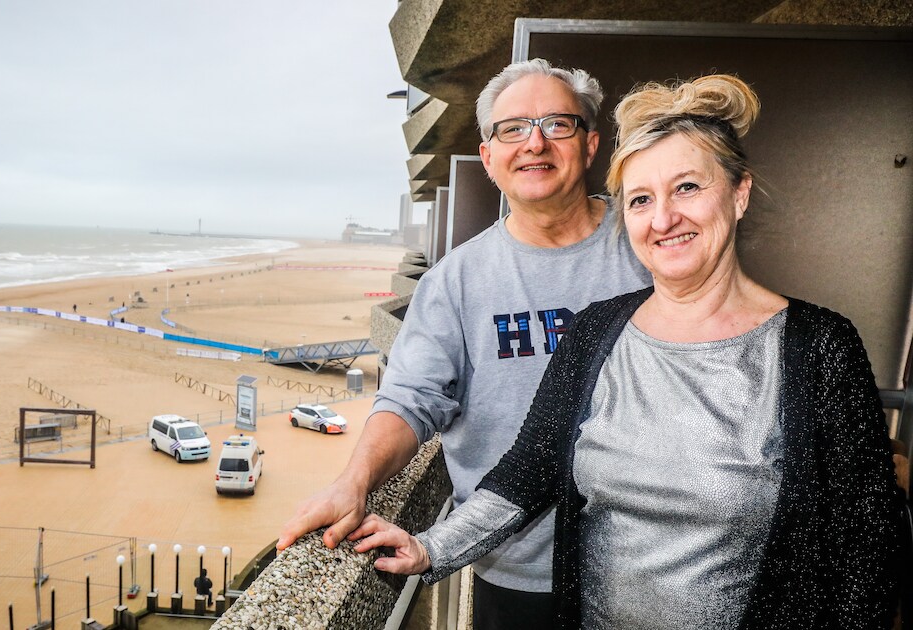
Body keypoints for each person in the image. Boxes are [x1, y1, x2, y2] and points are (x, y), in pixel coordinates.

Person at [350, 74, 905, 627]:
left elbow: (865, 561)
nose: (663, 218)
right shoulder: (596, 331)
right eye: (642, 199)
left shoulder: (821, 348)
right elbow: (529, 470)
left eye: (687, 187)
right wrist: (429, 550)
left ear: (739, 193)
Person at [278, 59, 651, 628]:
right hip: (515, 569)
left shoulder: (651, 250)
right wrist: (353, 485)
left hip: (650, 563)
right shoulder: (456, 282)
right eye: (512, 129)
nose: (535, 143)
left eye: (557, 124)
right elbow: (410, 399)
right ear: (488, 158)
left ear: (591, 143)